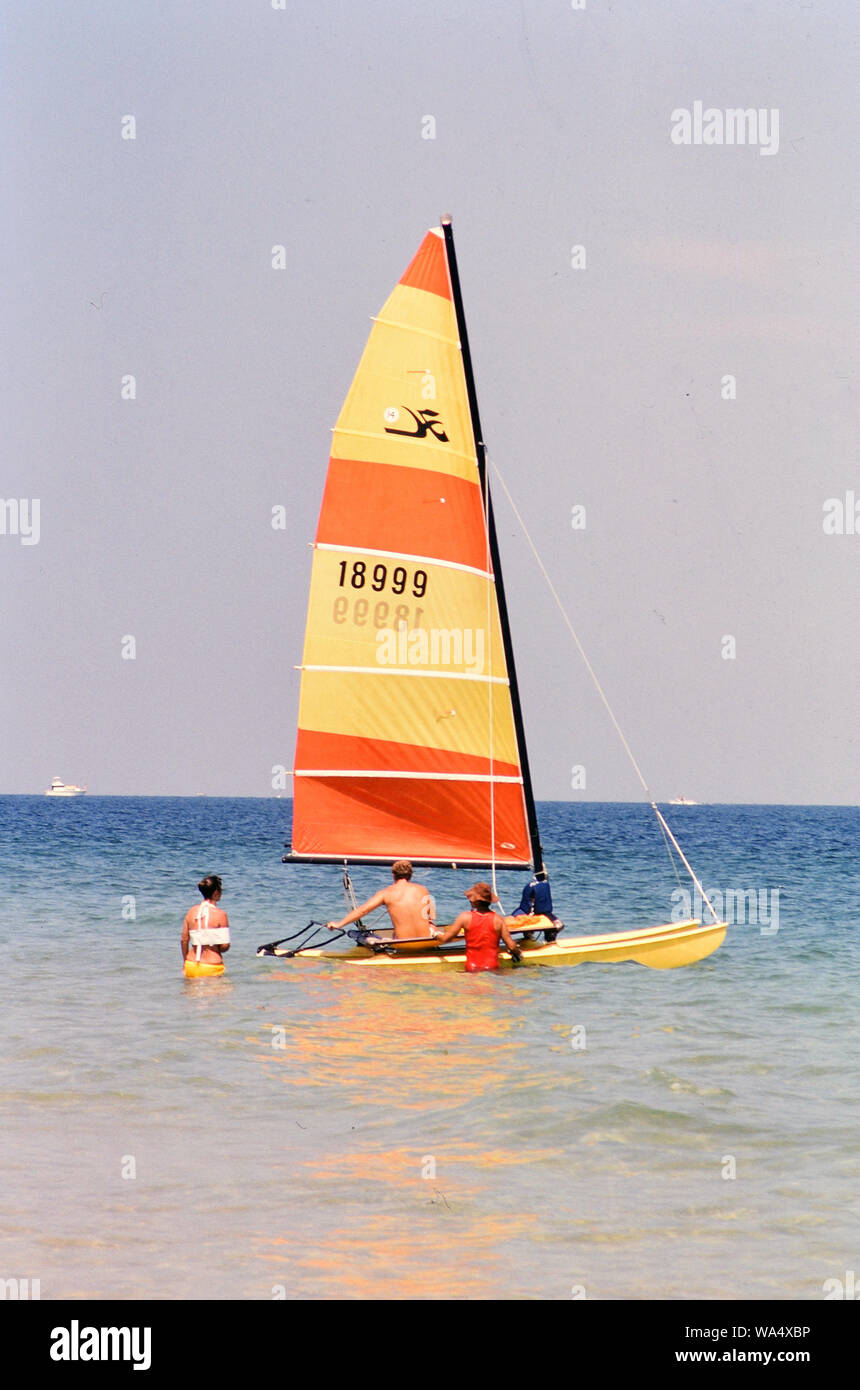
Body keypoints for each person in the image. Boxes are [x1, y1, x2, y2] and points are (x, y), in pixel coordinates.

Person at [325, 860, 436, 940]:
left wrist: (339, 924)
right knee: (431, 926)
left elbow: (363, 910)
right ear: (410, 875)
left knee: (373, 938)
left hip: (404, 943)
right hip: (425, 940)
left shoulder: (385, 893)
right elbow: (431, 917)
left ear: (393, 875)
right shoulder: (423, 890)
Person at [434, 882, 523, 972]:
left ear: (475, 900)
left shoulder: (465, 917)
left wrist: (435, 934)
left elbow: (445, 939)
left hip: (471, 968)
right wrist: (518, 953)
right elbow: (511, 946)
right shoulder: (498, 920)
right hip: (492, 968)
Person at [181, 874, 230, 978]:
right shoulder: (221, 914)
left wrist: (185, 962)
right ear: (216, 892)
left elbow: (184, 940)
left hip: (191, 964)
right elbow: (225, 946)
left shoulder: (191, 911)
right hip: (211, 966)